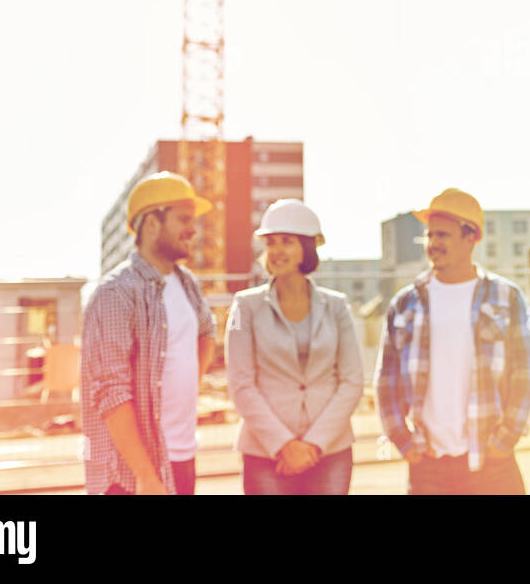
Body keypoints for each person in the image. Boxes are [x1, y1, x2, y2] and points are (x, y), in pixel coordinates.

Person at [375, 188, 530, 494]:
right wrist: (403, 440)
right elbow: (387, 379)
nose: (433, 243)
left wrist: (506, 439)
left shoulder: (506, 297)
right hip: (427, 464)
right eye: (430, 235)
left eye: (443, 235)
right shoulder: (405, 303)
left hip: (491, 460)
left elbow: (527, 372)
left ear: (471, 237)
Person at [81, 172, 217, 495]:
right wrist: (145, 475)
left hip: (182, 455)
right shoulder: (115, 294)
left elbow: (207, 332)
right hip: (133, 474)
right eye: (184, 219)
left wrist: (187, 386)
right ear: (151, 224)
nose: (193, 230)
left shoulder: (187, 283)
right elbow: (111, 391)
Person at [226, 199, 363, 494]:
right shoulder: (243, 307)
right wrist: (284, 445)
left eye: (287, 242)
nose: (276, 251)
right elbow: (240, 384)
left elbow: (352, 381)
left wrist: (314, 443)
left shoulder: (338, 306)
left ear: (308, 247)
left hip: (329, 450)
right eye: (271, 242)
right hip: (266, 453)